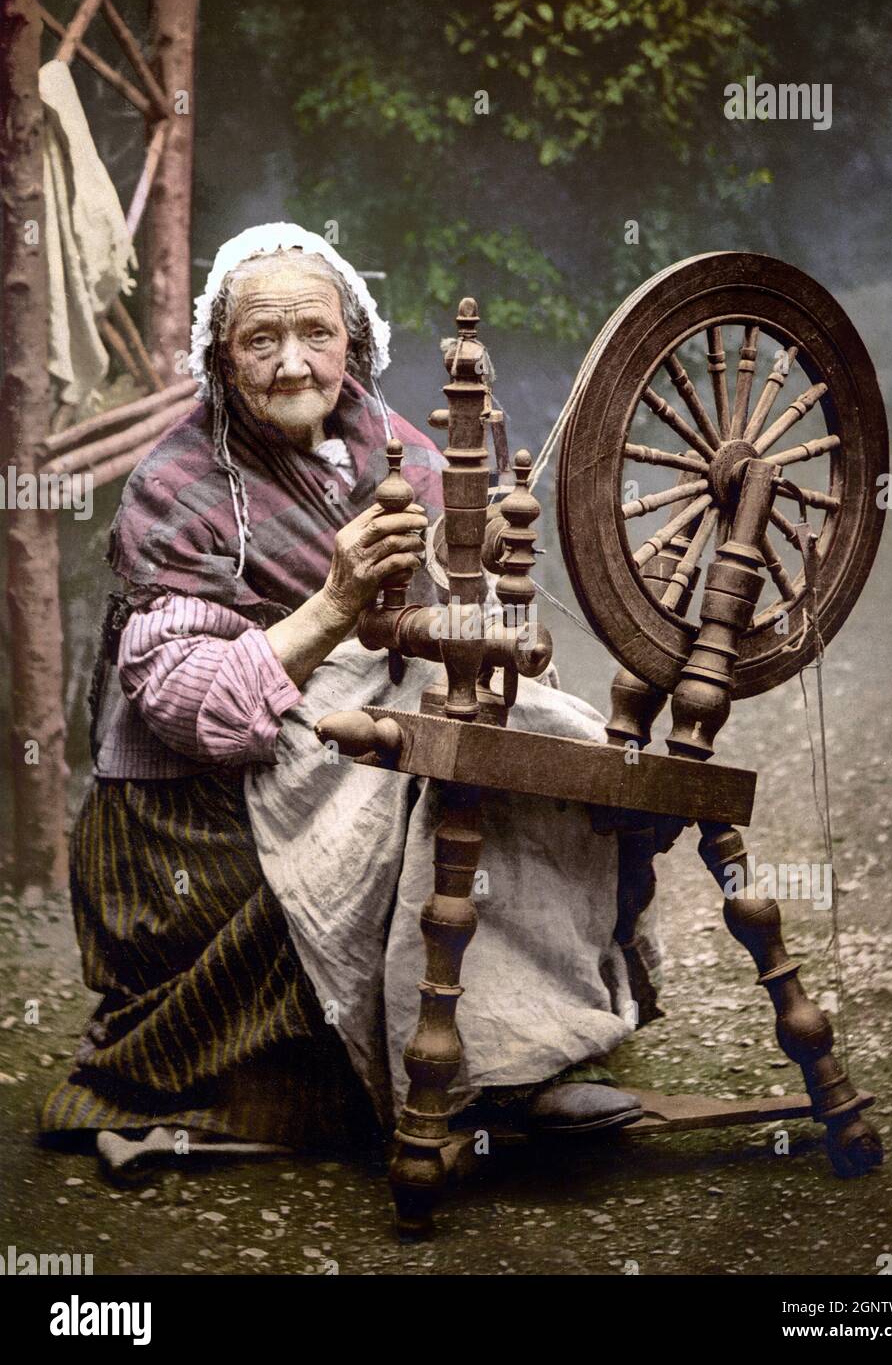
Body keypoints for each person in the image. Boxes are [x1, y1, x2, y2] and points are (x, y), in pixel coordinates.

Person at [41, 223, 650, 1154]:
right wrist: (336, 600)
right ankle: (468, 1074)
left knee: (543, 737)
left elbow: (463, 539)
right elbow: (191, 709)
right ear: (220, 357)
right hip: (194, 805)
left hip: (326, 724)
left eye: (315, 336)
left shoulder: (371, 428)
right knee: (420, 783)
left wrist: (480, 546)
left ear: (352, 342)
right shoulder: (175, 487)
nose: (293, 366)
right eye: (261, 342)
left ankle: (537, 1040)